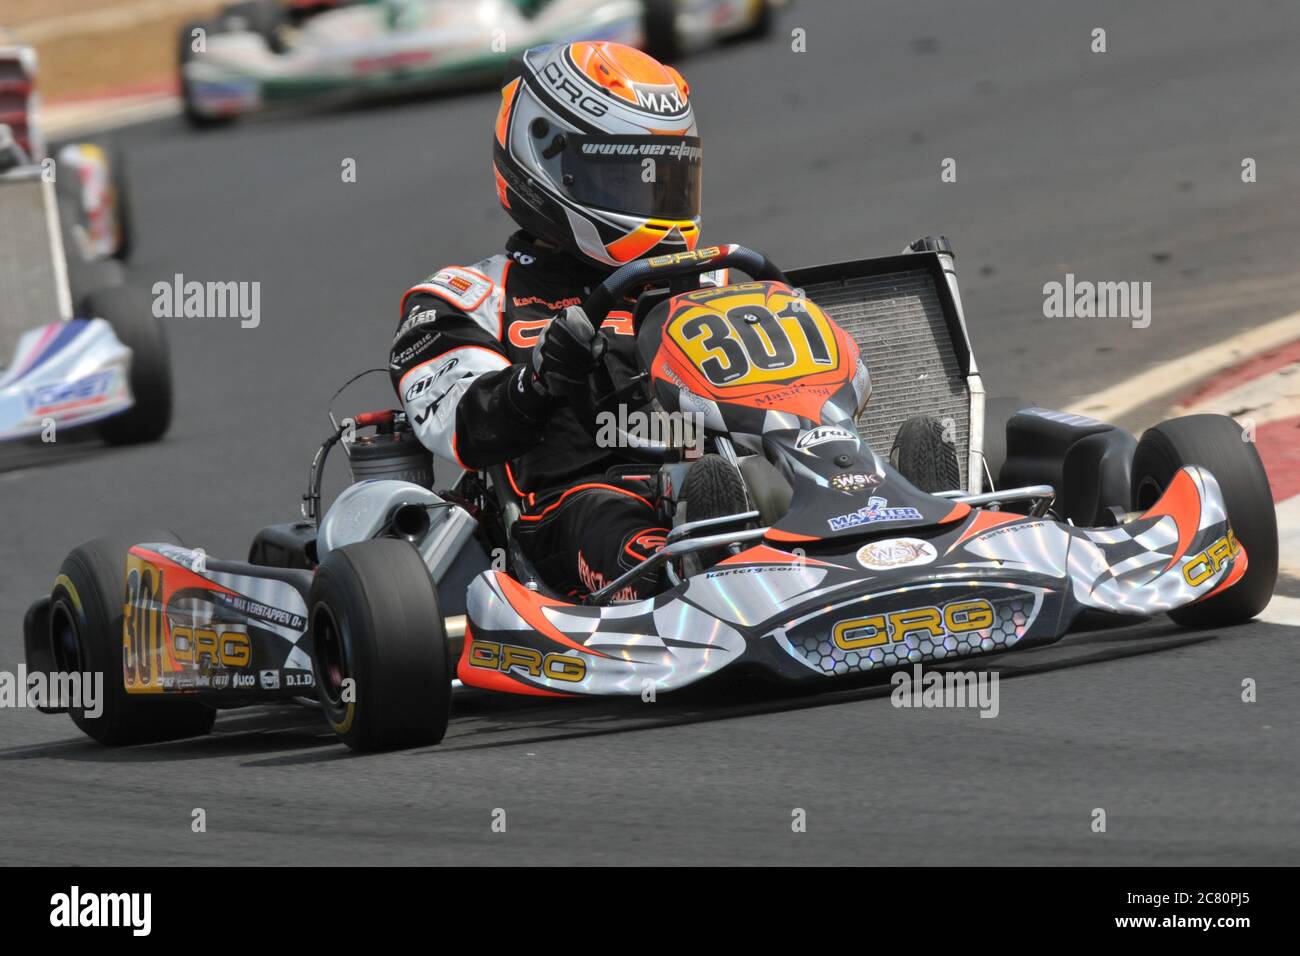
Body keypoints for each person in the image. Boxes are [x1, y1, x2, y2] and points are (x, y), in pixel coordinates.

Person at [390, 41, 703, 599]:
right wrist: (537, 376)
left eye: (665, 179)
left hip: (711, 479)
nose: (653, 199)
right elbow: (465, 429)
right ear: (548, 165)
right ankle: (695, 574)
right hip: (572, 511)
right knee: (618, 527)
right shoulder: (466, 298)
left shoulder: (709, 281)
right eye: (626, 178)